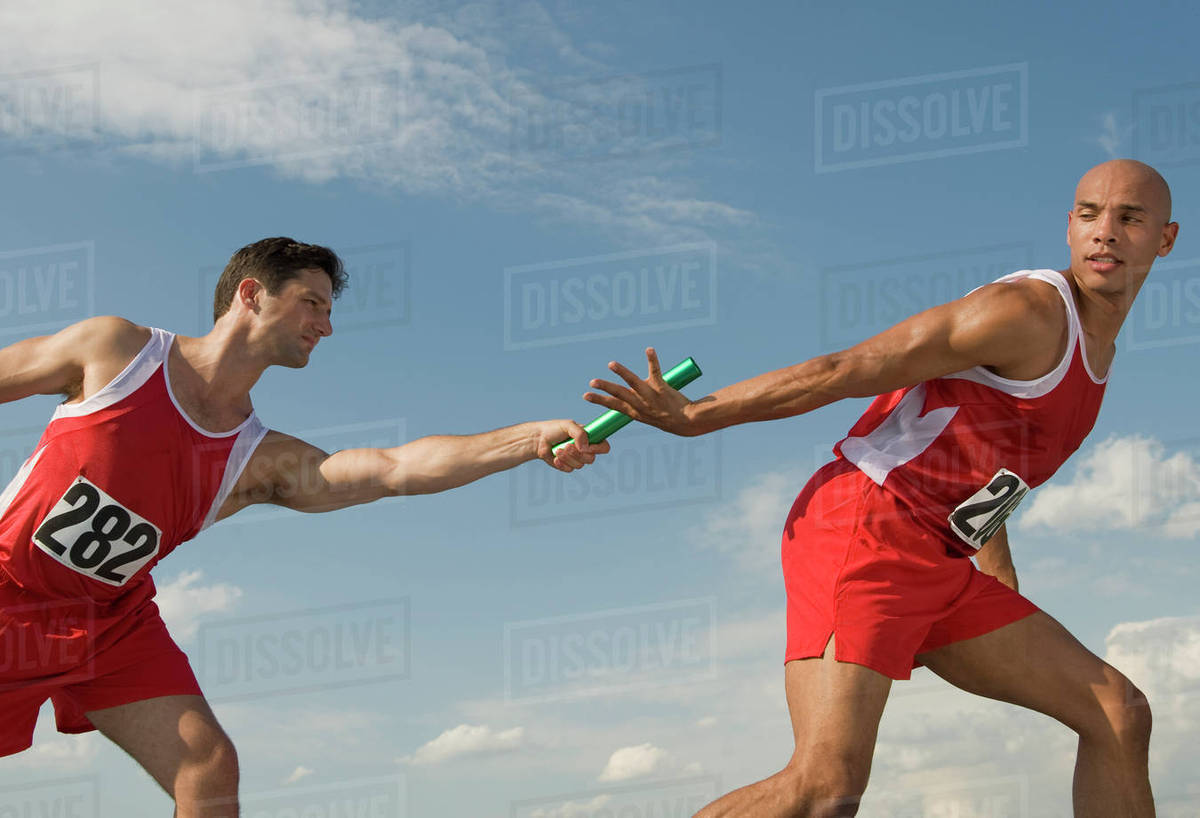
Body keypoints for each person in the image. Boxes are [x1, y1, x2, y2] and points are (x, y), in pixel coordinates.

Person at [584, 159, 1179, 817]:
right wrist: (697, 416)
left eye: (1130, 218)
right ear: (1069, 226)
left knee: (1118, 714)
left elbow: (995, 469)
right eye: (1090, 214)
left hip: (941, 561)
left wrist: (997, 573)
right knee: (824, 788)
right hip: (864, 527)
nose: (1106, 234)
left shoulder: (1098, 353)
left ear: (1165, 239)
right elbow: (846, 368)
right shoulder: (1027, 314)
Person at [0, 237, 609, 815]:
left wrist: (528, 439)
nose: (325, 325)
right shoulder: (117, 350)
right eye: (311, 303)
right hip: (8, 593)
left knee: (207, 768)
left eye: (327, 310)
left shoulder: (259, 460)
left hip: (110, 622)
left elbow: (395, 469)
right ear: (251, 294)